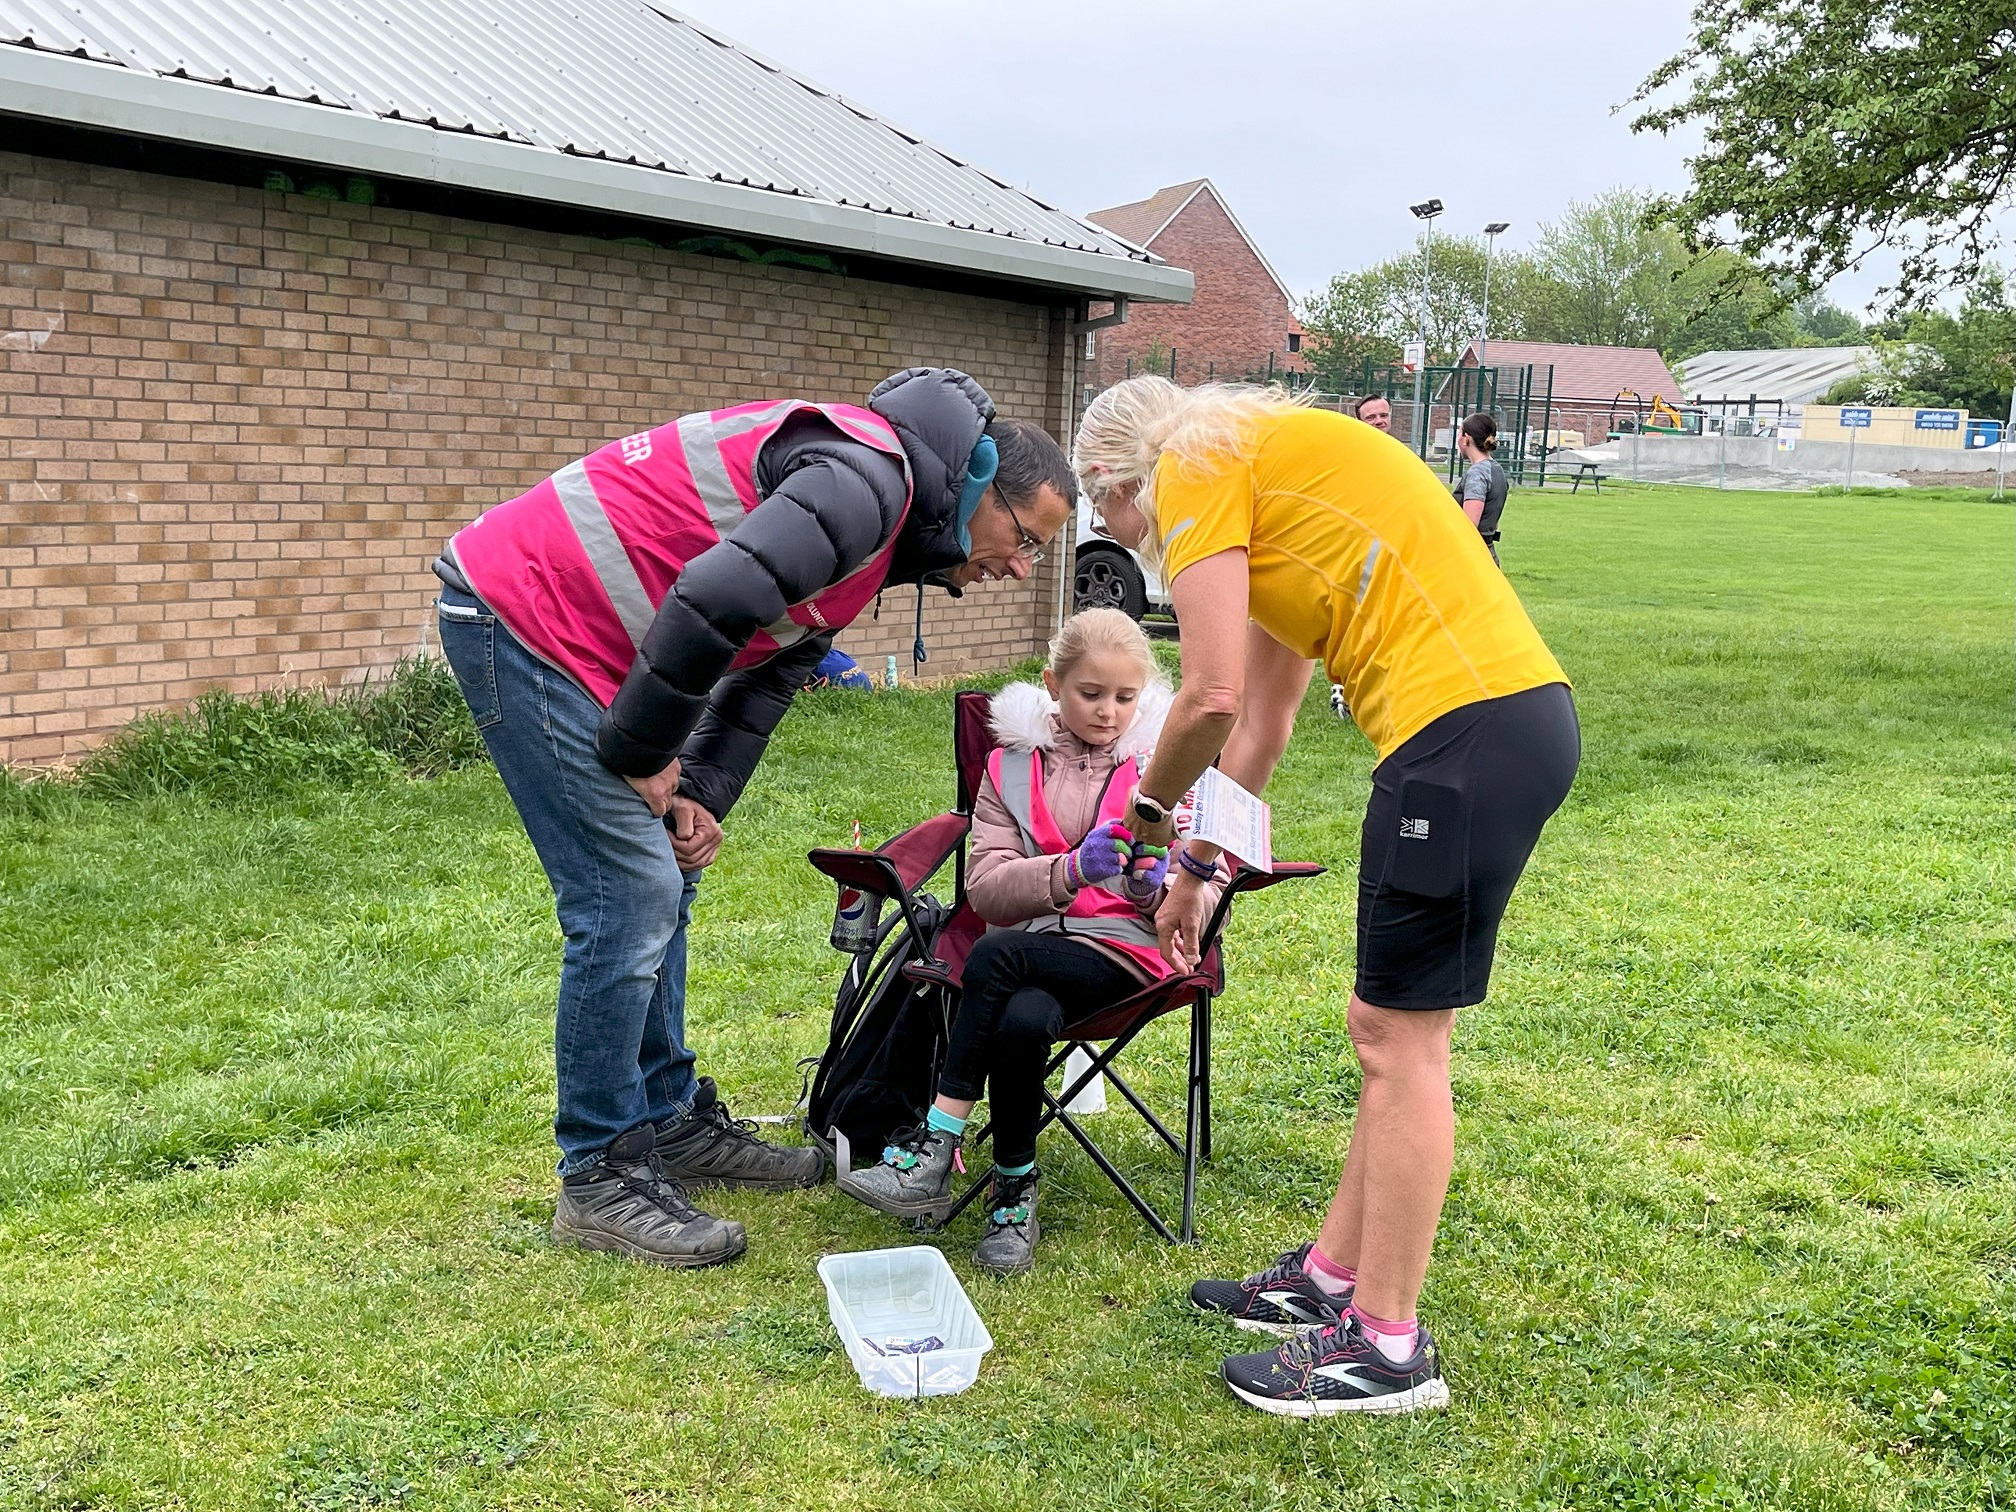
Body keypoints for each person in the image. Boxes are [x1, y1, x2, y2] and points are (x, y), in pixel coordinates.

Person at [431, 368, 1075, 1270]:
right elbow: (714, 600)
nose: (1019, 566)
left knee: (667, 871)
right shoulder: (866, 482)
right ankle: (600, 1172)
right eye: (1027, 539)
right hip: (524, 612)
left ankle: (664, 1116)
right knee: (627, 892)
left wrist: (694, 789)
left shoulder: (879, 535)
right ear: (978, 485)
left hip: (592, 641)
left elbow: (765, 673)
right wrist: (649, 755)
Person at [1072, 378, 1578, 1416]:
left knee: (1400, 1041)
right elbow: (1260, 725)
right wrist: (1201, 872)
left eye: (1105, 514)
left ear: (1118, 482)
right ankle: (1332, 1282)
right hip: (1489, 730)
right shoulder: (1266, 475)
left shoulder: (1194, 464)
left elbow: (1206, 701)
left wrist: (1144, 824)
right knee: (1384, 1028)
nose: (1119, 538)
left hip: (1462, 733)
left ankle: (1386, 1349)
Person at [839, 608, 1206, 1274]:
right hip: (1031, 950)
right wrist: (1069, 870)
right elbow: (985, 891)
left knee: (994, 954)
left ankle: (936, 1140)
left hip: (1130, 954)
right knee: (1021, 1016)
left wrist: (1153, 886)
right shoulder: (1010, 765)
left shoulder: (1167, 761)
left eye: (1125, 697)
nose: (1108, 712)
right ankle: (1013, 1188)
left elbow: (1198, 890)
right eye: (1091, 694)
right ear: (1053, 684)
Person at [1454, 412, 1511, 563]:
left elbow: (1469, 525)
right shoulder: (1497, 470)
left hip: (1473, 558)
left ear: (1466, 439)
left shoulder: (1477, 473)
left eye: (1459, 434)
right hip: (1488, 554)